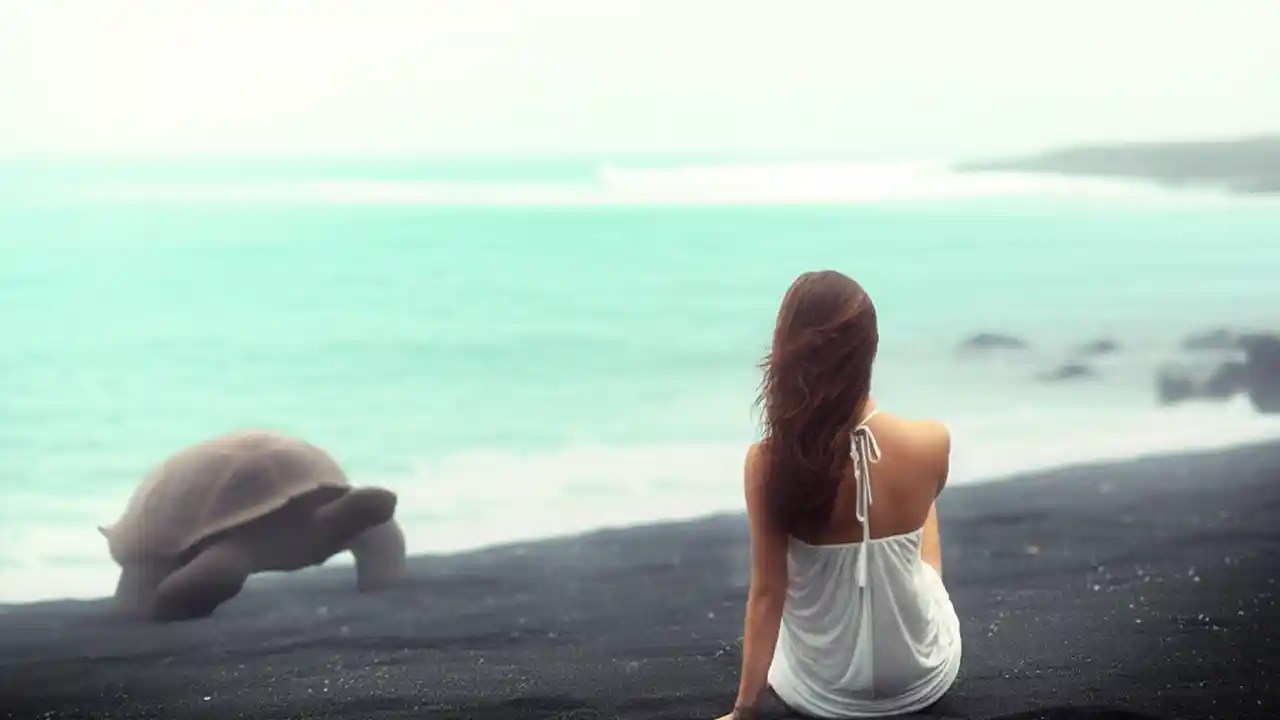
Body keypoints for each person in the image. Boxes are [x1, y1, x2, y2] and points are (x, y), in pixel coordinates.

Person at [716, 270, 961, 719]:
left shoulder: (768, 463)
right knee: (919, 508)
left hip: (822, 695)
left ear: (787, 351)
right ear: (870, 349)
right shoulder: (932, 441)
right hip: (921, 679)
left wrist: (743, 711)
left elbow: (768, 592)